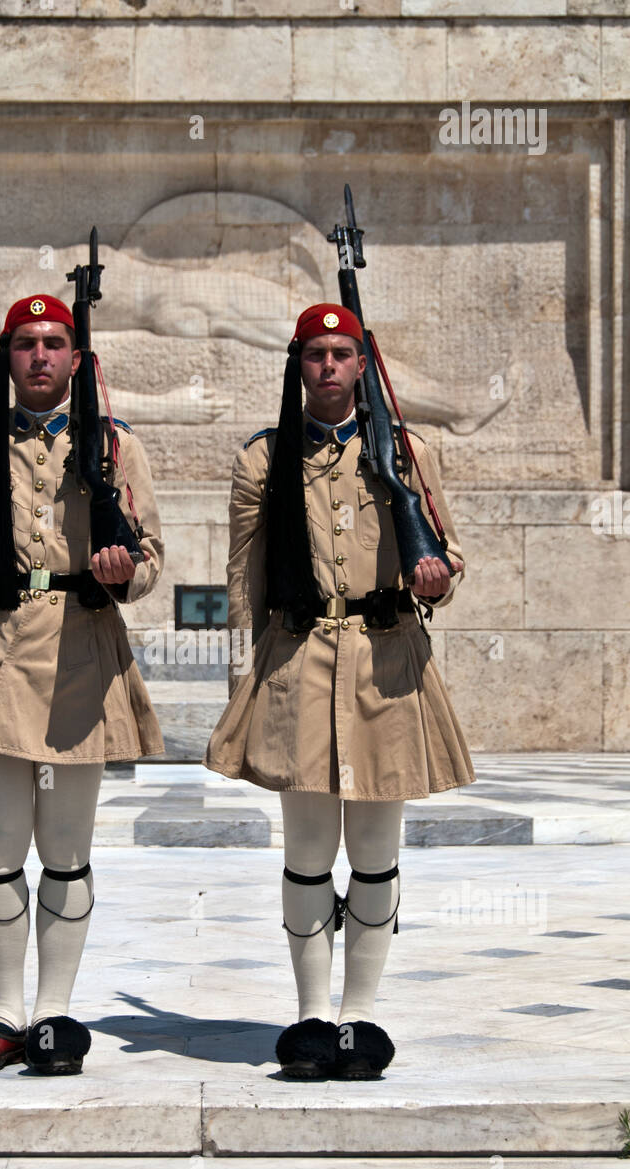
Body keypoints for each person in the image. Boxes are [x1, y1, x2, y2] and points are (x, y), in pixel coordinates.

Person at [204, 303, 474, 1080]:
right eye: (314, 354)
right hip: (297, 663)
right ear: (297, 364)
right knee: (308, 852)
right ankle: (312, 1015)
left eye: (341, 353)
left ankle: (361, 1013)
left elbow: (449, 555)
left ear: (362, 365)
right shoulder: (263, 459)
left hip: (387, 665)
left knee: (376, 854)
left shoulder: (408, 452)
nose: (327, 366)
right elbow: (242, 580)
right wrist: (242, 680)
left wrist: (437, 577)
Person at [0, 293, 164, 1076]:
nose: (42, 356)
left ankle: (54, 1012)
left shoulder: (115, 446)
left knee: (64, 849)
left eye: (56, 343)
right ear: (7, 356)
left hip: (77, 653)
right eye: (26, 344)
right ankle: (3, 1012)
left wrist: (125, 575)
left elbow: (151, 556)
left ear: (76, 358)